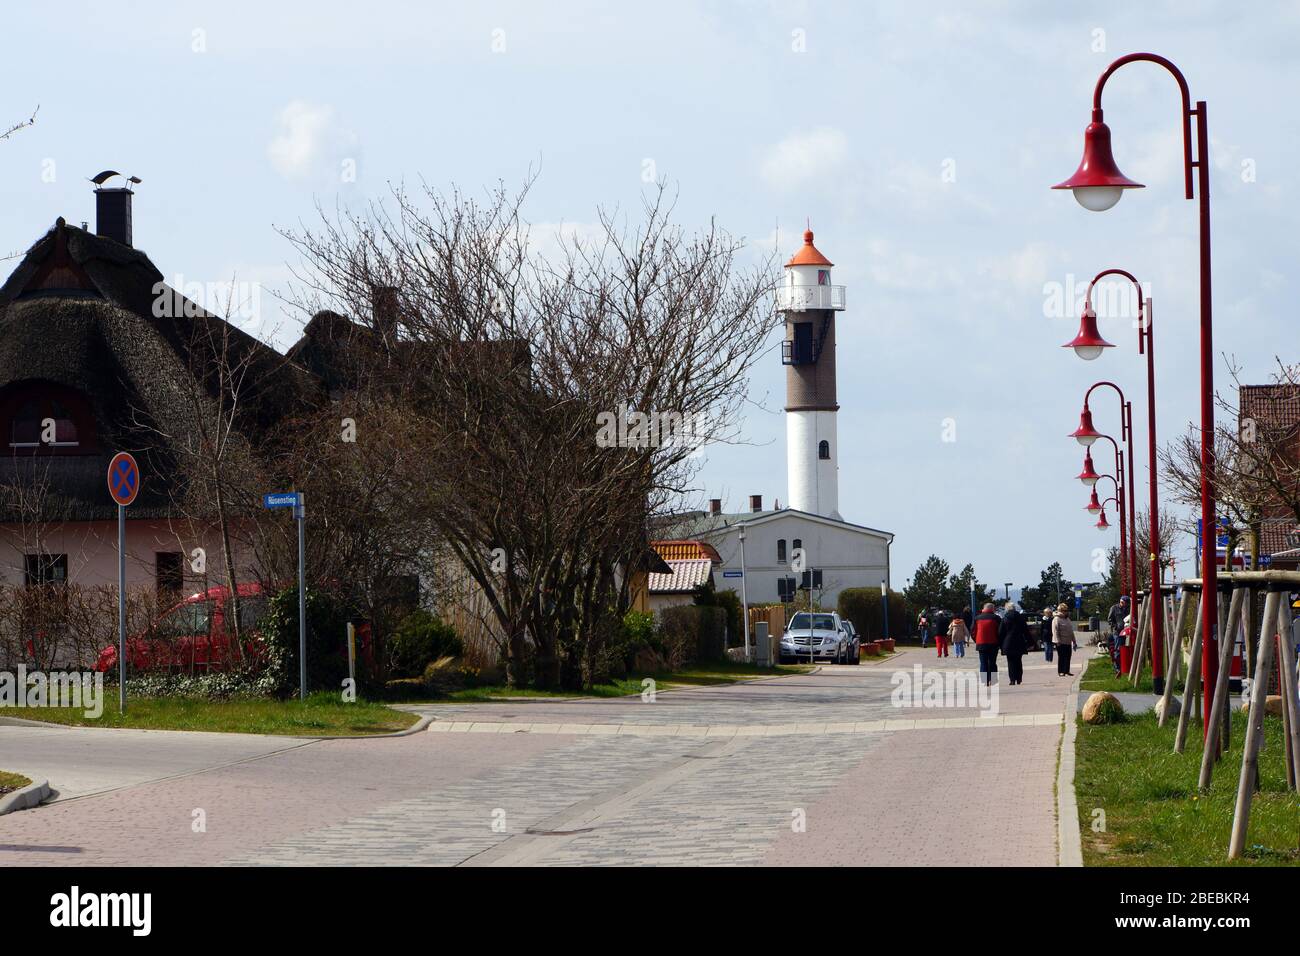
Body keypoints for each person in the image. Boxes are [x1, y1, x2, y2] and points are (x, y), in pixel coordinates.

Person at [999, 601, 1029, 685]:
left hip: (1008, 642)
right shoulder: (1020, 618)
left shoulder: (1005, 618)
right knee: (1019, 661)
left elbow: (1001, 632)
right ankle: (1019, 679)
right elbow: (1026, 631)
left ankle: (1012, 680)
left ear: (1007, 609)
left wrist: (1000, 644)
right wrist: (1030, 642)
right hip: (1019, 641)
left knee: (1010, 662)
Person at [973, 602, 1001, 686]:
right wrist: (999, 641)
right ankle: (993, 680)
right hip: (993, 643)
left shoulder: (977, 618)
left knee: (983, 663)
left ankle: (984, 681)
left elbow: (973, 631)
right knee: (992, 662)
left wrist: (976, 640)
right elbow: (1000, 631)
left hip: (981, 643)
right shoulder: (996, 618)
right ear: (992, 609)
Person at [1052, 602, 1077, 676]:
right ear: (1061, 611)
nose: (1066, 612)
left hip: (1068, 641)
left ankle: (1067, 670)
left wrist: (1074, 641)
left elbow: (1071, 631)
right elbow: (1055, 631)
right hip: (1060, 642)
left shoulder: (1067, 619)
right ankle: (1061, 671)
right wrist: (1057, 641)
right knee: (1062, 657)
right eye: (1065, 610)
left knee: (1068, 656)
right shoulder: (1056, 619)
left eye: (1067, 610)